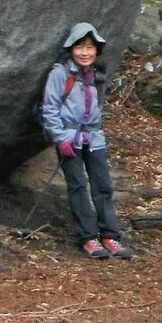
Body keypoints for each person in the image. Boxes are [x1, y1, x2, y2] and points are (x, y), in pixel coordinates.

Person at [41, 21, 134, 260]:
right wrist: (60, 138)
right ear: (71, 48)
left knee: (103, 186)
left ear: (97, 50)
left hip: (93, 138)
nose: (85, 52)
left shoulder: (98, 74)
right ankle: (88, 238)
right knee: (78, 186)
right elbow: (49, 108)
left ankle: (110, 236)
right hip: (69, 138)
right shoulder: (60, 73)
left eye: (90, 47)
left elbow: (98, 107)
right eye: (80, 47)